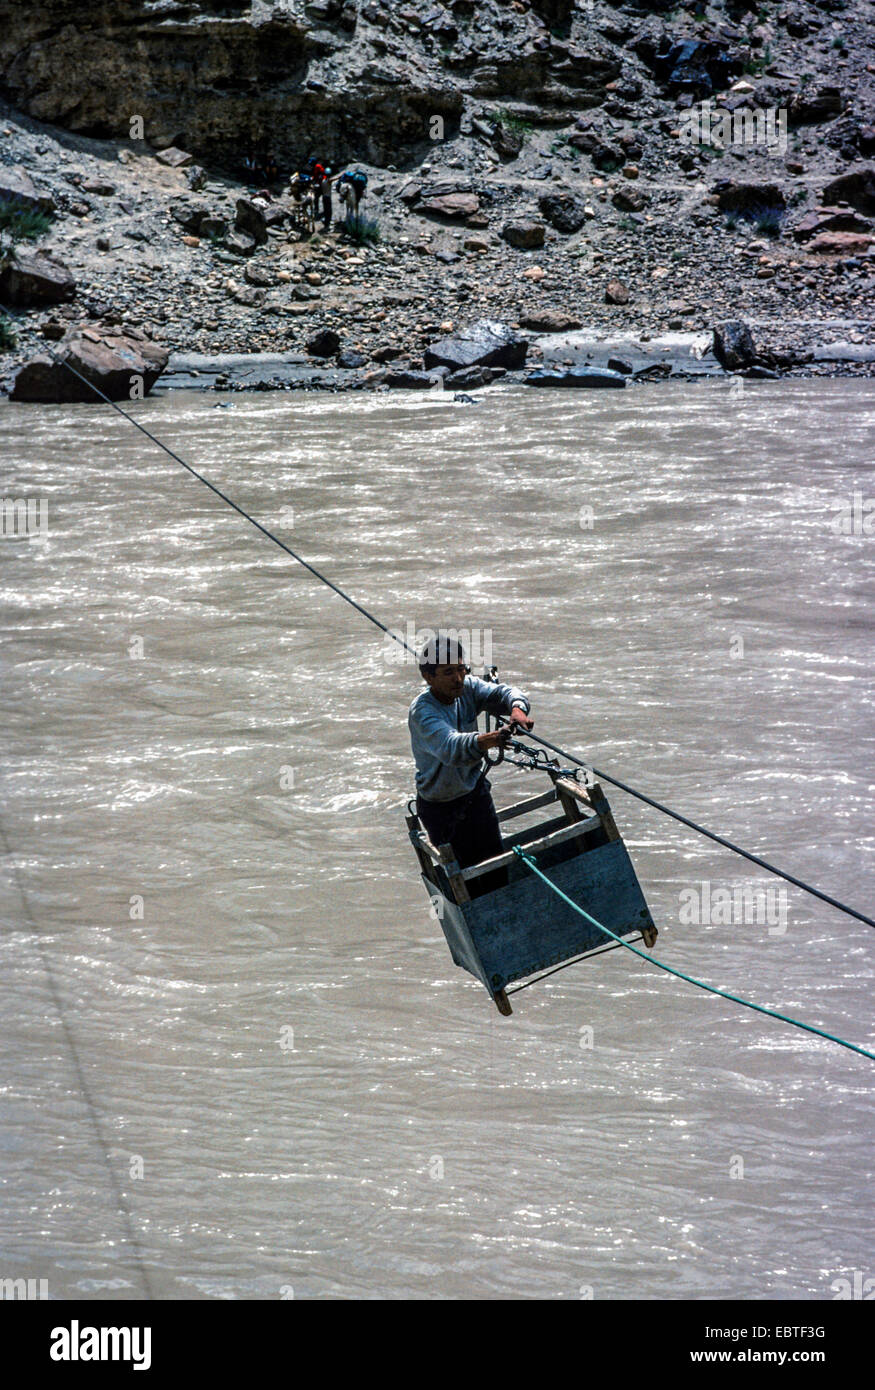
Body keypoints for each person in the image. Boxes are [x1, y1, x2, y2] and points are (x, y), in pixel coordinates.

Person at [409, 633, 534, 894]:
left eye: (461, 669)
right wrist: (494, 738)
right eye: (447, 672)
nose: (457, 678)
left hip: (475, 794)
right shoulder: (423, 712)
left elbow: (503, 692)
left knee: (496, 872)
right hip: (440, 809)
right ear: (428, 677)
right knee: (466, 884)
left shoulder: (467, 688)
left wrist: (518, 708)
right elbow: (451, 748)